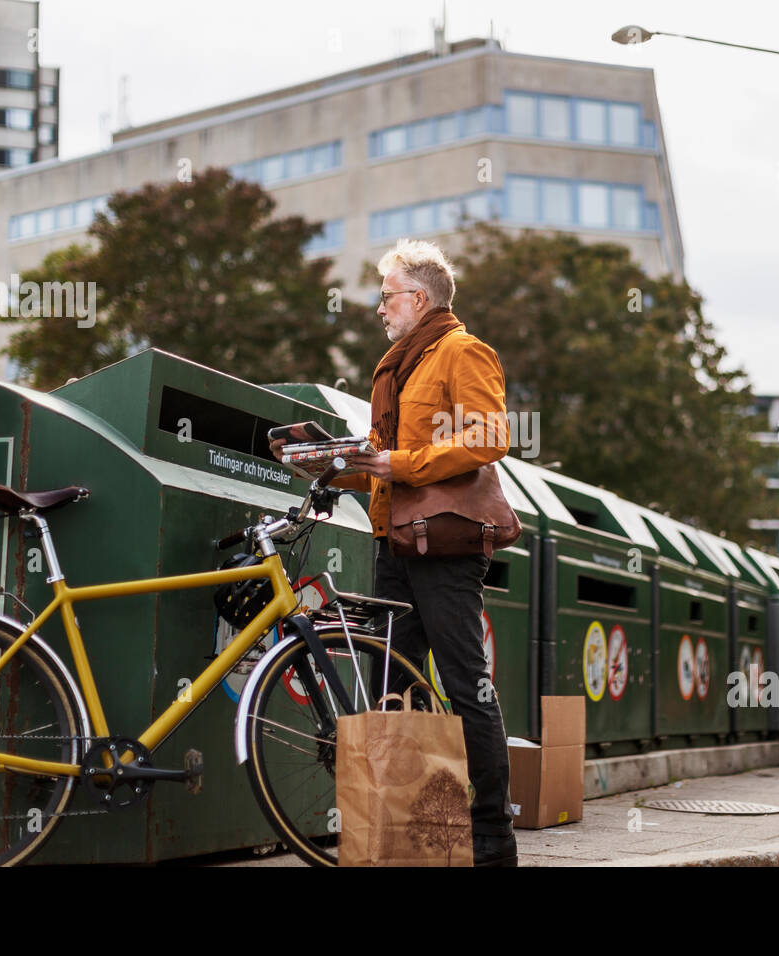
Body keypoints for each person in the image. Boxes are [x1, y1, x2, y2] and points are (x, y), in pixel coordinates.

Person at [274, 238, 517, 867]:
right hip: (395, 544)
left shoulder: (462, 351)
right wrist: (327, 467)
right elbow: (383, 464)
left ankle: (493, 839)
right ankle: (407, 834)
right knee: (393, 689)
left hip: (445, 545)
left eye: (386, 297)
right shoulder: (397, 364)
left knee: (466, 686)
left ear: (419, 297)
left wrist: (397, 462)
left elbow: (491, 436)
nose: (379, 309)